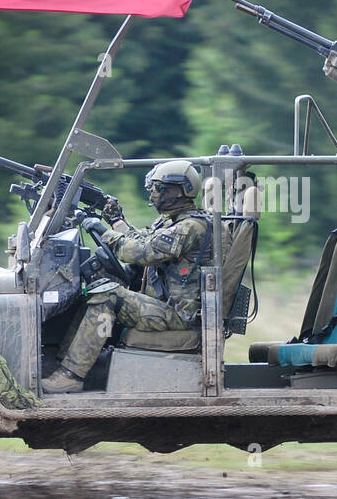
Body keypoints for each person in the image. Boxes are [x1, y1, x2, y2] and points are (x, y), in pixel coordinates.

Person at [40, 160, 212, 393]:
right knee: (95, 287)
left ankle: (71, 375)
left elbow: (142, 253)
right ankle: (60, 362)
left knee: (108, 295)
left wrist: (105, 232)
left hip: (178, 315)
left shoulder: (191, 227)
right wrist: (115, 222)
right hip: (164, 306)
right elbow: (142, 240)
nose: (154, 194)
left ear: (179, 191)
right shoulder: (172, 221)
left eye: (160, 189)